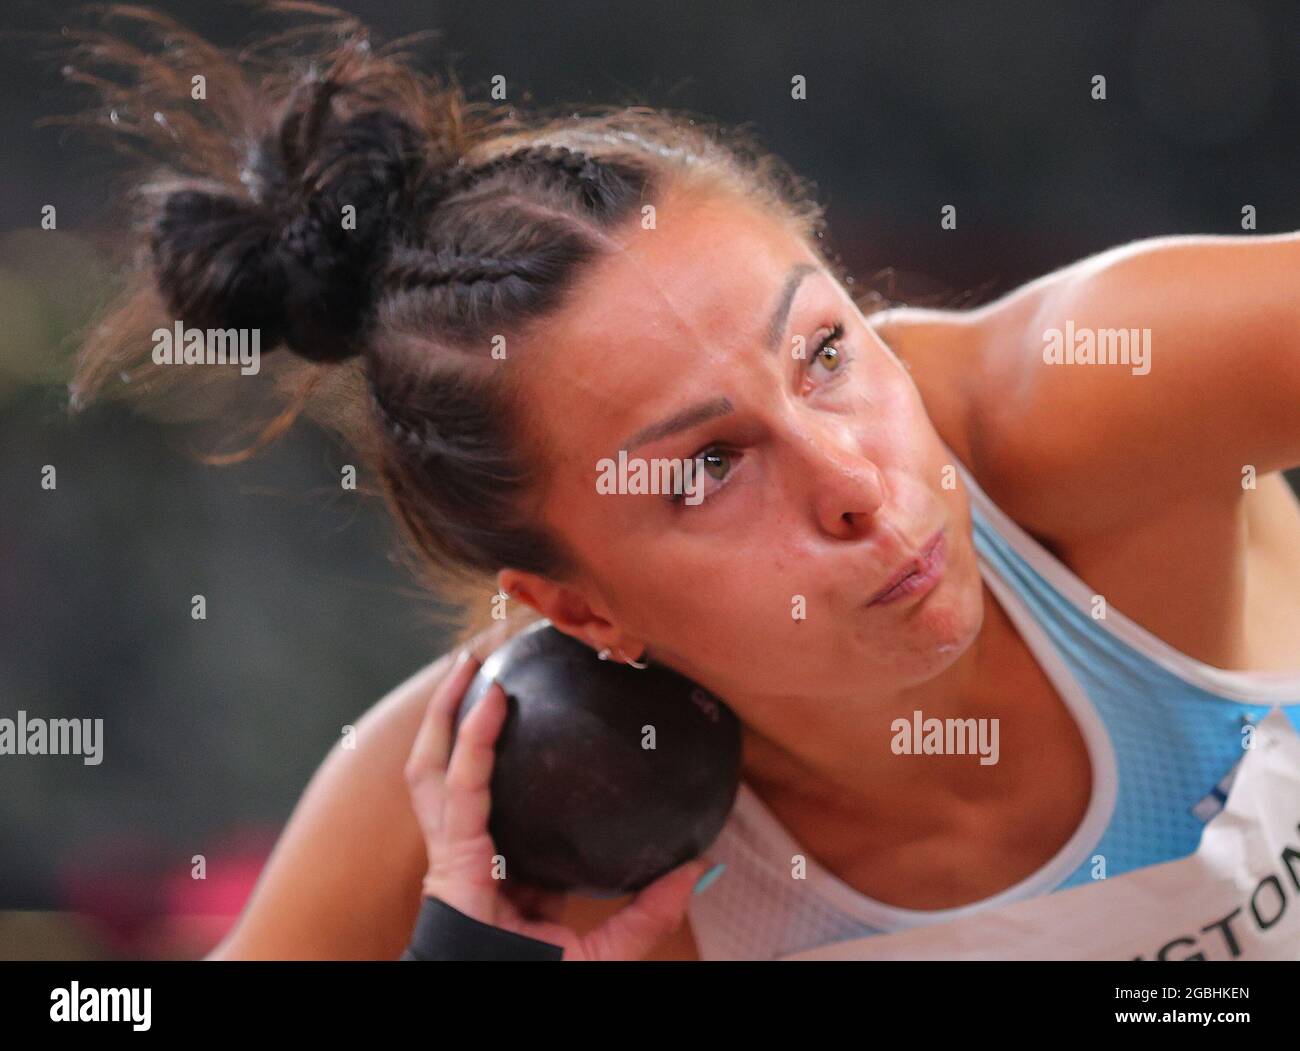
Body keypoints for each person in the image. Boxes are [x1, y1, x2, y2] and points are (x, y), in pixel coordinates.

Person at [63, 8, 1300, 961]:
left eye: (822, 352)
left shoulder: (1091, 401)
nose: (855, 481)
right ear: (579, 609)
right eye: (707, 467)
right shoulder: (502, 807)